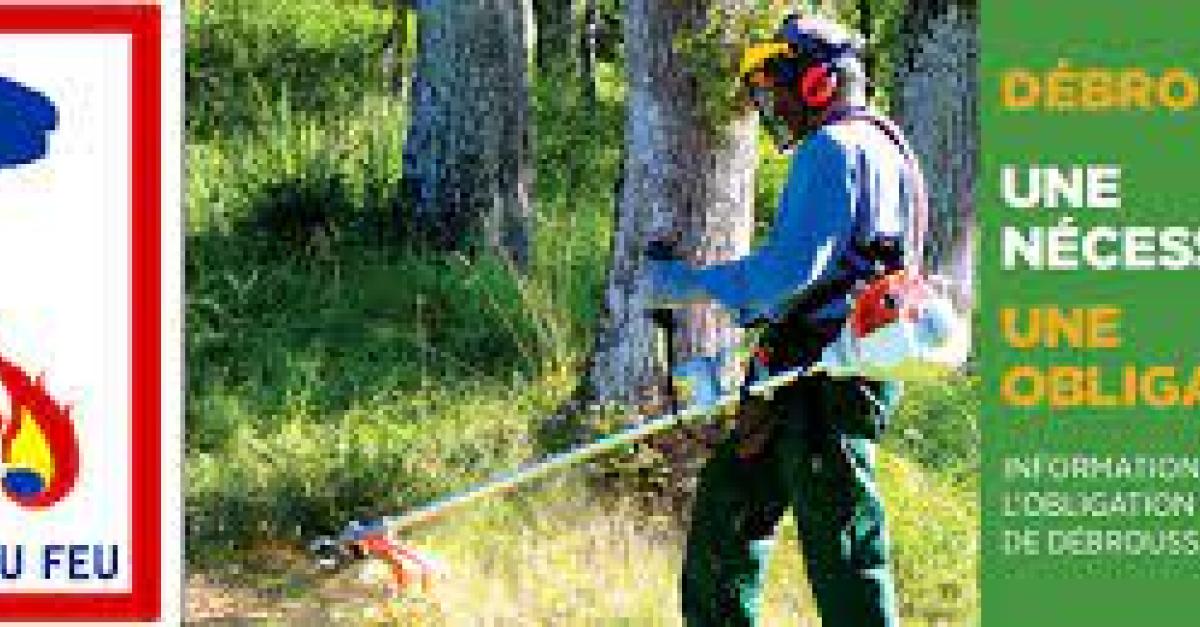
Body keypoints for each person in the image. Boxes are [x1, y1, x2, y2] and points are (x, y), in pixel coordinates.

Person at [646, 13, 930, 627]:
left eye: (780, 85)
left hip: (826, 372)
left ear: (820, 83)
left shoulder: (834, 149)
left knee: (843, 541)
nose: (773, 102)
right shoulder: (889, 147)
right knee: (730, 507)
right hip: (812, 367)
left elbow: (788, 273)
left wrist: (687, 286)